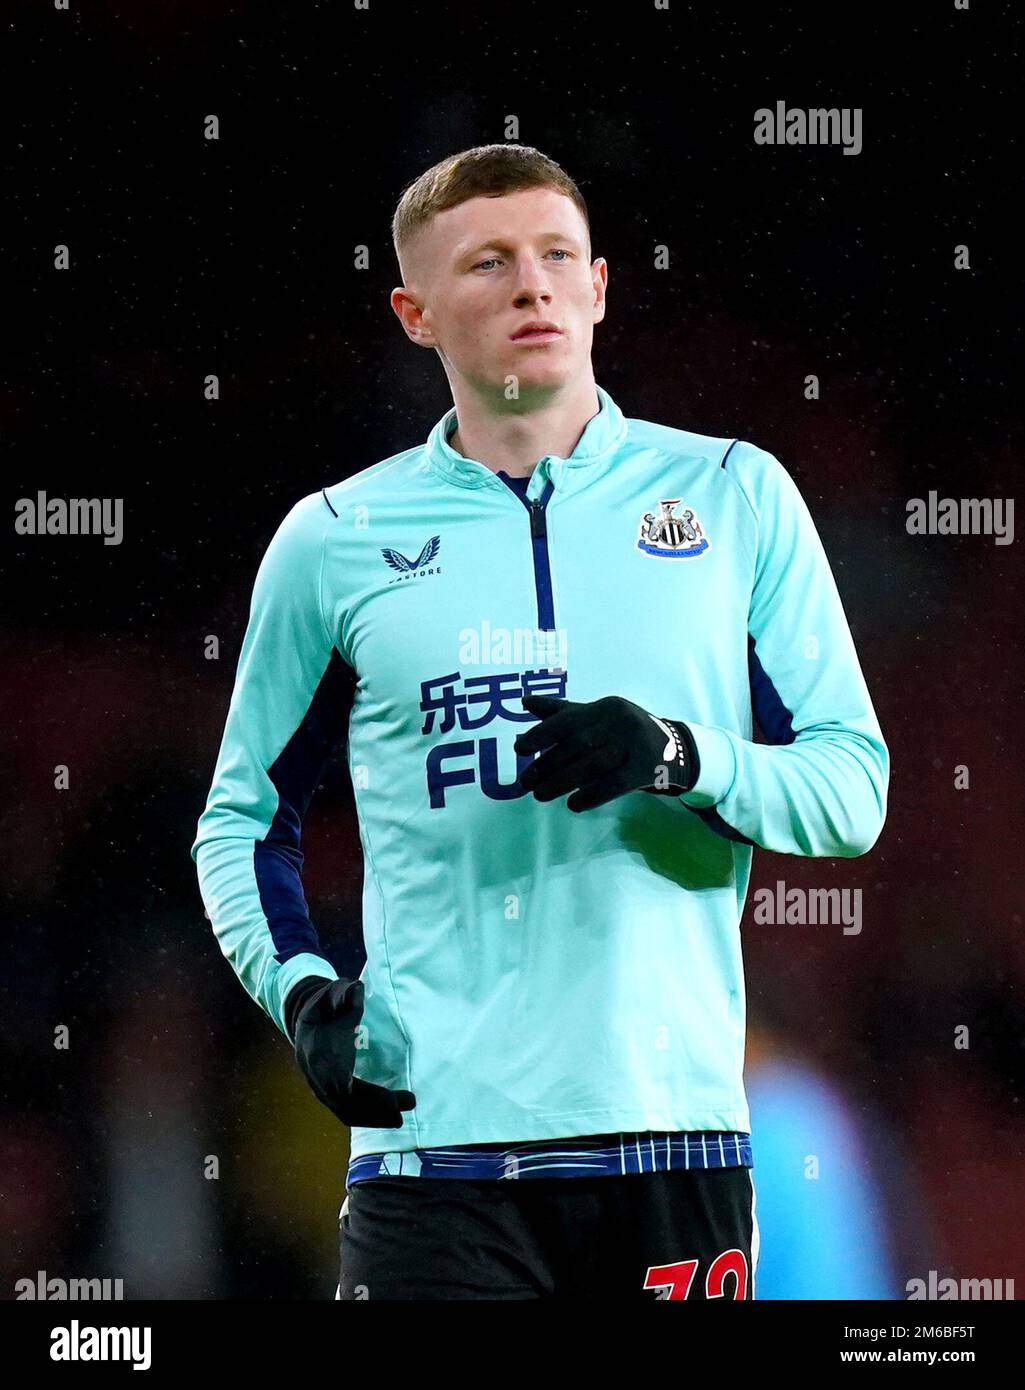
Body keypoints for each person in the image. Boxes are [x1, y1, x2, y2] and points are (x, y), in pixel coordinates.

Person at [191, 143, 889, 1300]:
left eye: (557, 255)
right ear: (414, 314)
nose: (532, 285)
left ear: (600, 288)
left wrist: (678, 754)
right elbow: (242, 820)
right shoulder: (333, 540)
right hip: (433, 1152)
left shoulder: (733, 497)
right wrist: (302, 988)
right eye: (490, 263)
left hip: (670, 1137)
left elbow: (850, 789)